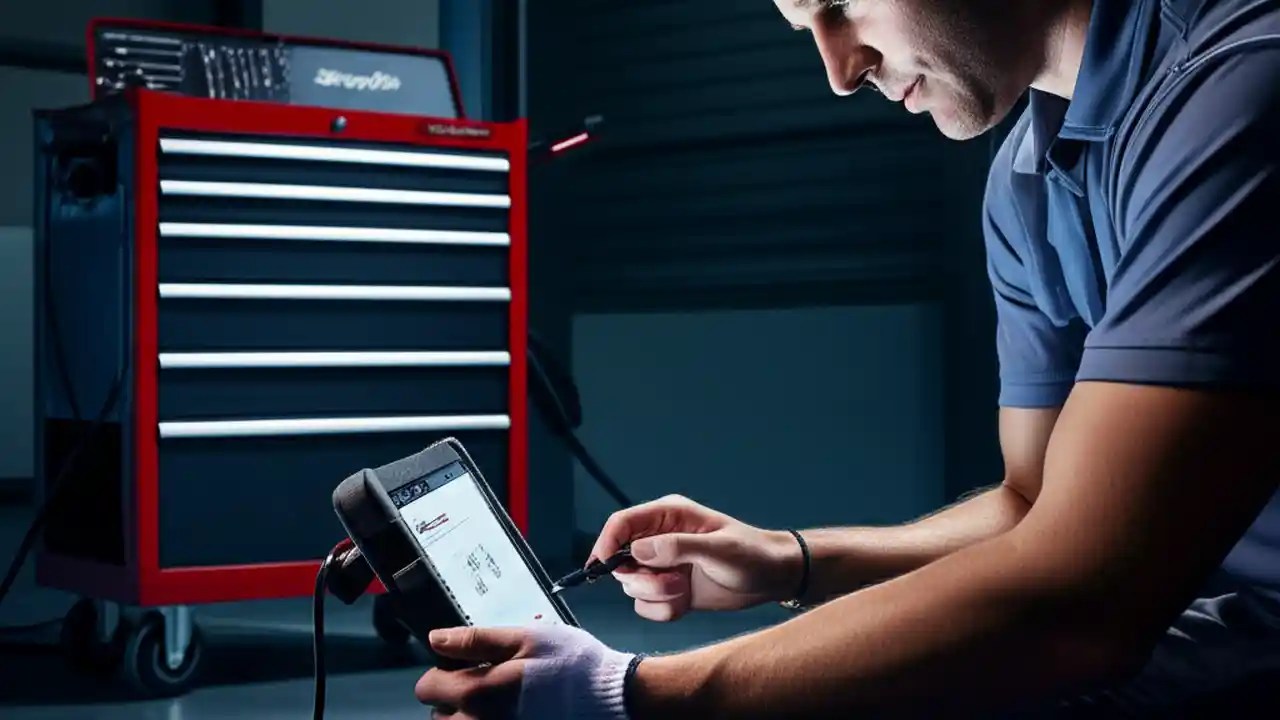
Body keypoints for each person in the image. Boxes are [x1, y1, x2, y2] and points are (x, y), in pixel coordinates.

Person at [413, 0, 1280, 716]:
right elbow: (1032, 504)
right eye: (807, 28)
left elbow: (1083, 602)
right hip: (1202, 622)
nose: (838, 69)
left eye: (843, 6)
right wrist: (789, 560)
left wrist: (629, 694)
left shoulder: (1241, 88)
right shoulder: (1024, 177)